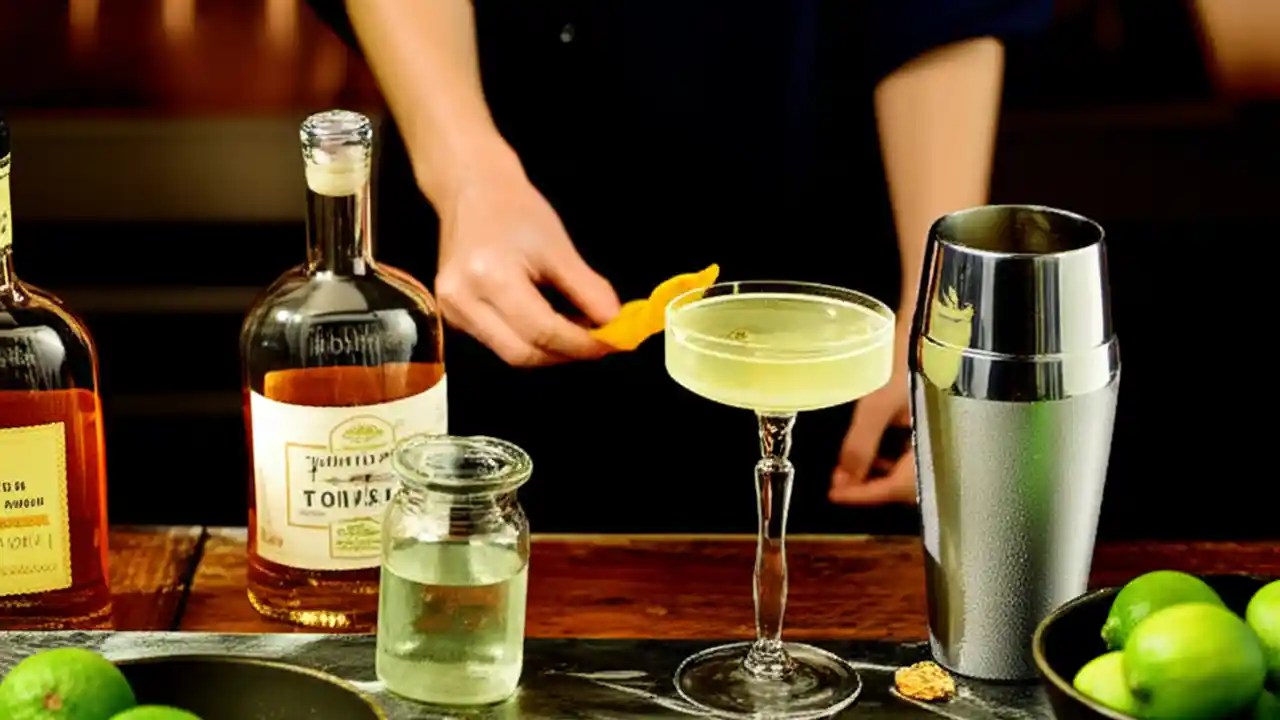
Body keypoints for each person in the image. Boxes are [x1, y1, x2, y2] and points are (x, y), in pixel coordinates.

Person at [305, 0, 1053, 534]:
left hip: (818, 256)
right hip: (494, 241)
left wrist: (934, 303)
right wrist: (465, 167)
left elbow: (947, 12)